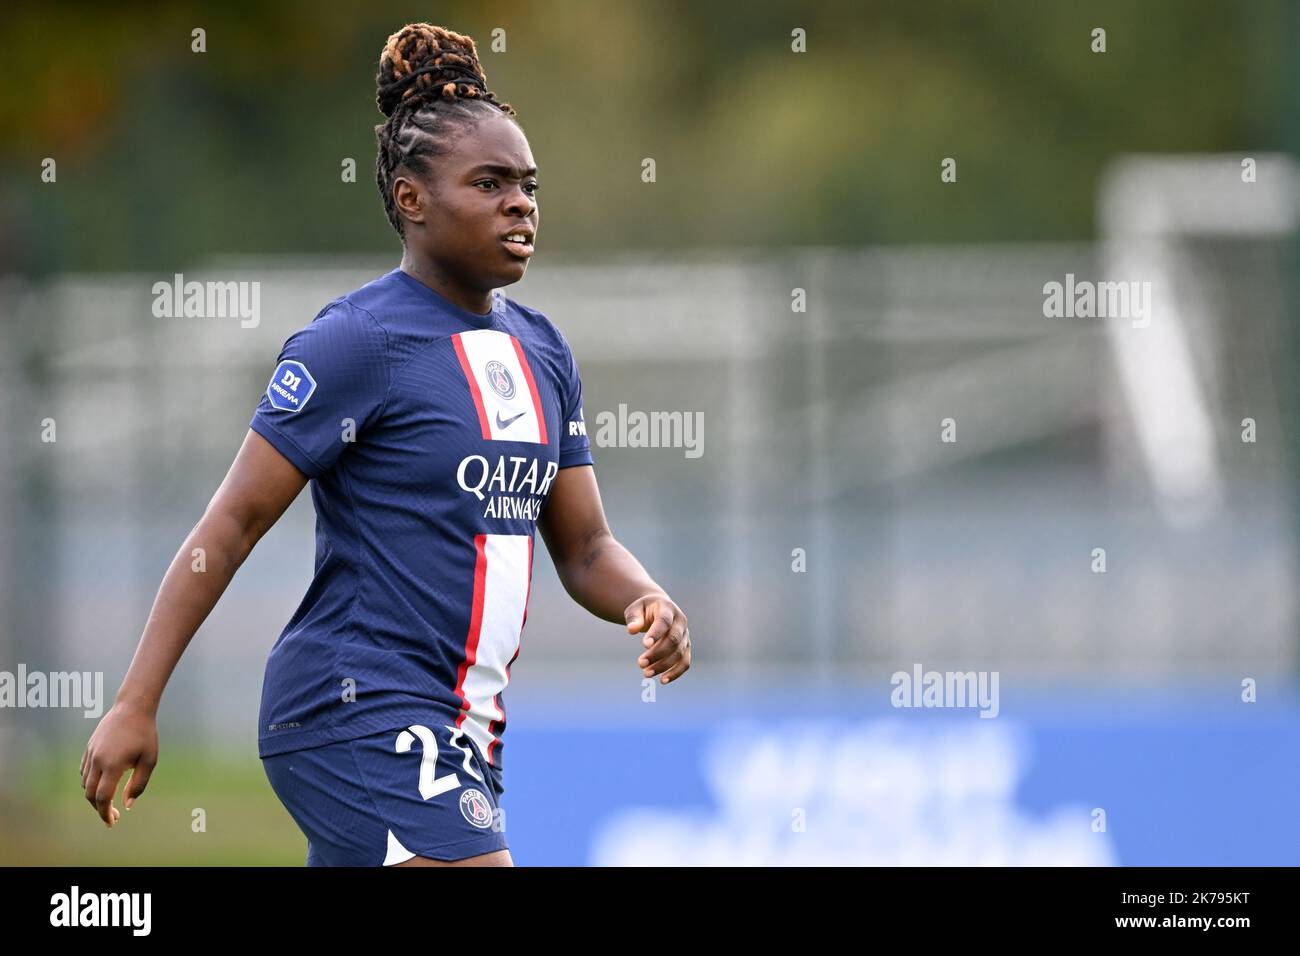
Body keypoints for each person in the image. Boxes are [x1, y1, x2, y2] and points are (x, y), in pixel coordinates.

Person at [80, 22, 692, 867]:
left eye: (527, 184)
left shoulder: (544, 351)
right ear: (411, 199)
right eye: (490, 183)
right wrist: (135, 702)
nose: (521, 203)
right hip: (354, 706)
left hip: (465, 726)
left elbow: (584, 547)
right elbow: (231, 525)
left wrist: (647, 598)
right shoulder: (356, 343)